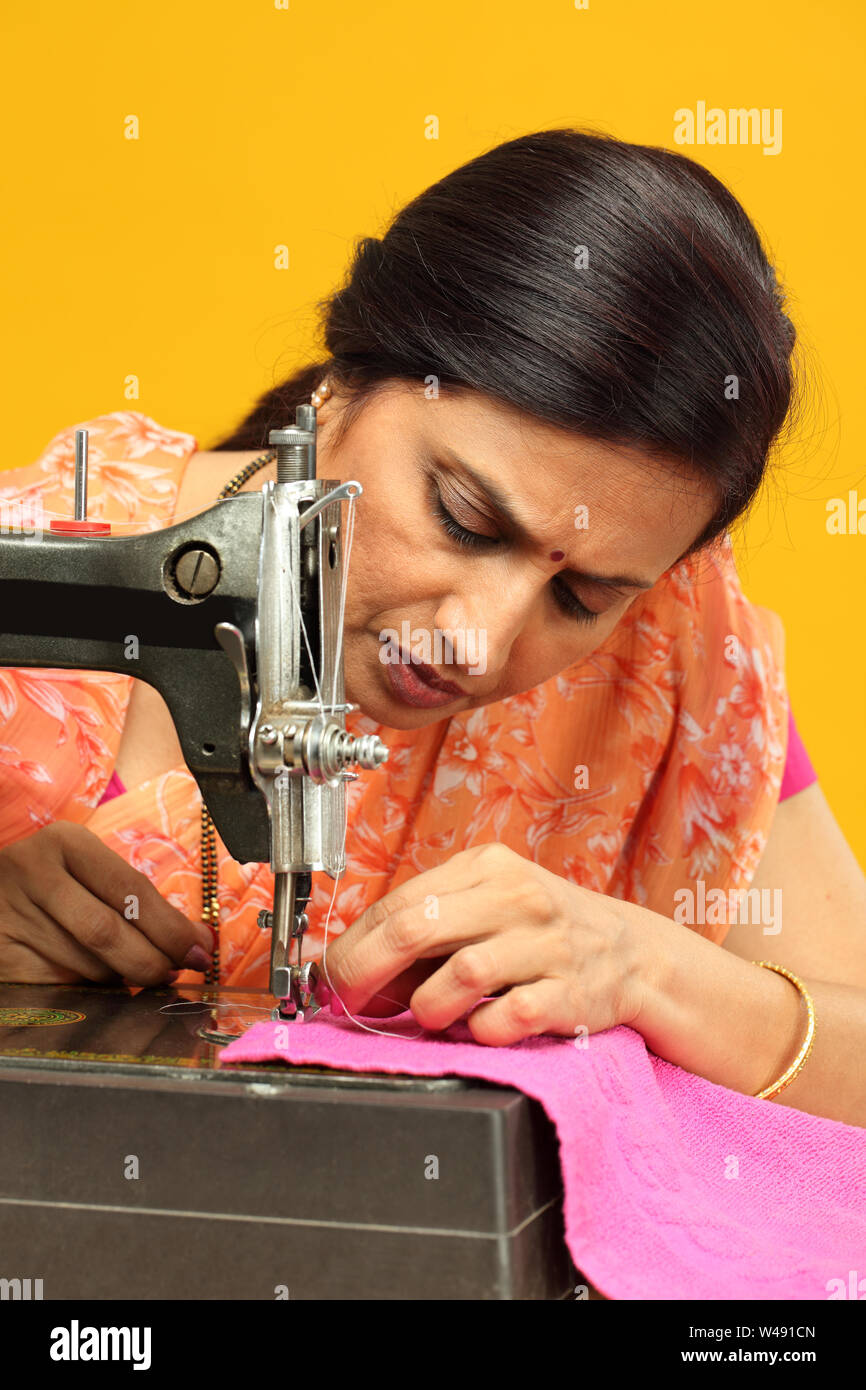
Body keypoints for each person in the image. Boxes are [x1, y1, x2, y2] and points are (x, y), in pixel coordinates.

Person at [1, 129, 864, 1125]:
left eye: (580, 599)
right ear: (343, 382)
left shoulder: (667, 656)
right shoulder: (46, 562)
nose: (482, 643)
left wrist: (650, 967)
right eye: (462, 518)